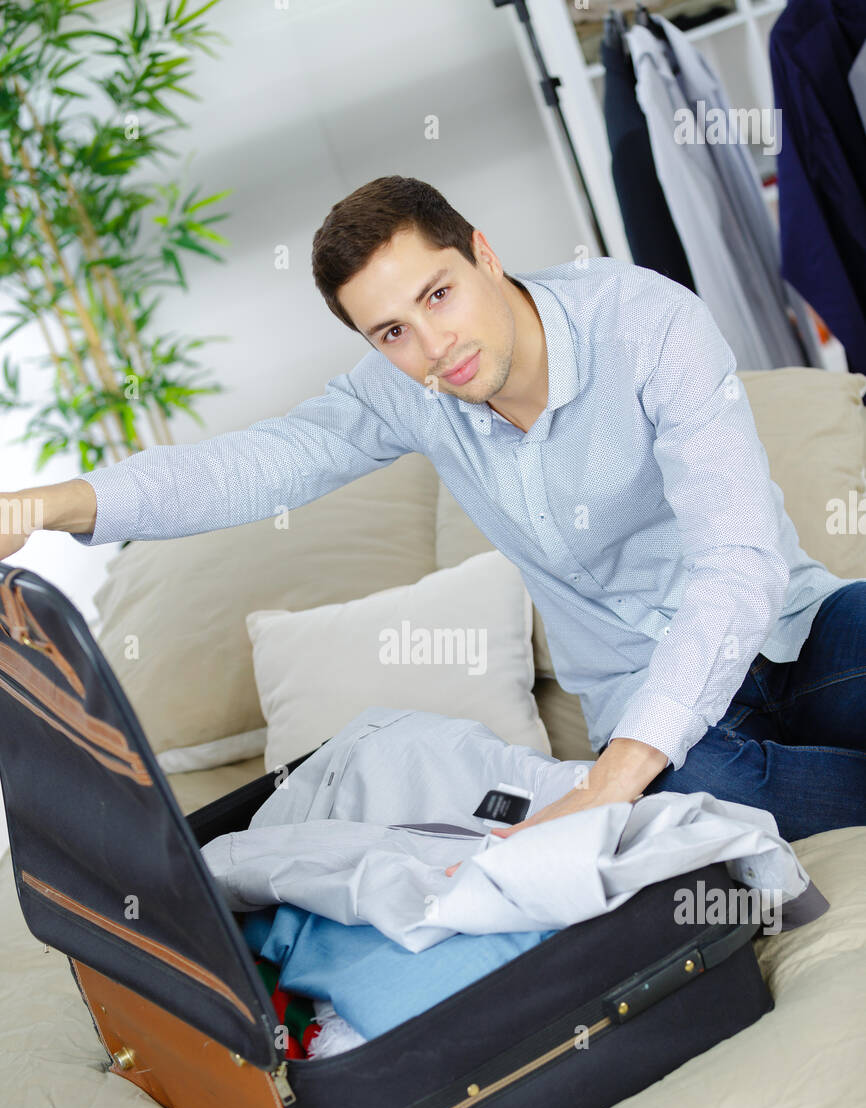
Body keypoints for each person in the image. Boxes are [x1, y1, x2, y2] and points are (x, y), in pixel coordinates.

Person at [1, 174, 864, 846]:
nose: (432, 346)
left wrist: (606, 786)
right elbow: (253, 465)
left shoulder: (646, 325)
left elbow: (738, 564)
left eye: (438, 294)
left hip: (786, 628)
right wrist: (41, 504)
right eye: (390, 332)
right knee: (685, 791)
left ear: (484, 254)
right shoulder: (405, 392)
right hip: (651, 705)